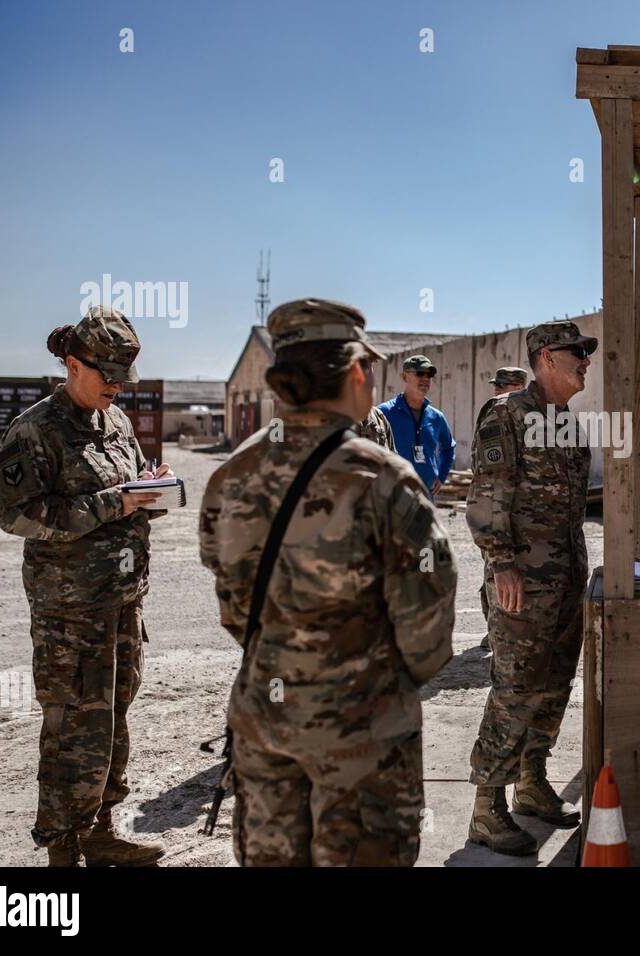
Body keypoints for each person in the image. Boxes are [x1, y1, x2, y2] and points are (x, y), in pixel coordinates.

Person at [199, 298, 456, 866]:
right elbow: (429, 623)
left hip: (267, 721)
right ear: (354, 371)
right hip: (363, 732)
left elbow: (236, 608)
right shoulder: (384, 479)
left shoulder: (232, 474)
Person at [0, 306, 167, 866]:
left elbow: (128, 496)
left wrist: (152, 493)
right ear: (72, 364)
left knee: (113, 723)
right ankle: (63, 849)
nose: (116, 388)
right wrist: (115, 502)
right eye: (106, 377)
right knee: (71, 728)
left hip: (122, 604)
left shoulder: (115, 423)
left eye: (123, 379)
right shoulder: (35, 430)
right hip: (70, 614)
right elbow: (17, 516)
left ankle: (101, 831)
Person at [465, 322, 593, 855]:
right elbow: (489, 495)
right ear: (545, 358)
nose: (586, 361)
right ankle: (486, 808)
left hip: (564, 579)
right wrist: (502, 564)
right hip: (522, 581)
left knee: (556, 682)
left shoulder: (567, 422)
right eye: (576, 353)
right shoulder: (507, 415)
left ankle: (531, 783)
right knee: (515, 688)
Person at [476, 367, 529, 650]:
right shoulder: (495, 414)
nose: (497, 390)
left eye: (503, 385)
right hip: (493, 514)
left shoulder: (529, 417)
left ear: (519, 386)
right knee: (491, 574)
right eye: (497, 385)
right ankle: (493, 629)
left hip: (512, 517)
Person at [378, 355, 454, 495]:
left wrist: (441, 477)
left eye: (429, 374)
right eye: (419, 373)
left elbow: (449, 448)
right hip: (393, 495)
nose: (425, 378)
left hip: (426, 494)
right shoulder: (384, 413)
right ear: (405, 377)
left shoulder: (436, 417)